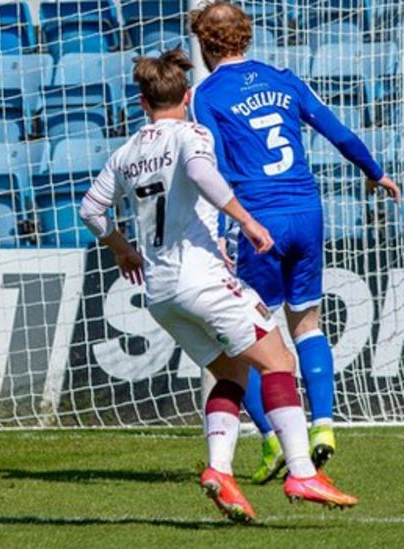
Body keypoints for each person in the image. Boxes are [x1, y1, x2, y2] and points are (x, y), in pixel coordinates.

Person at [79, 49, 358, 523]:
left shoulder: (126, 153)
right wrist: (246, 221)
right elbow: (201, 173)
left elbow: (89, 209)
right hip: (202, 279)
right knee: (279, 361)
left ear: (143, 103)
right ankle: (301, 470)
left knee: (230, 373)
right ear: (187, 97)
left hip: (161, 292)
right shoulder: (193, 133)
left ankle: (220, 472)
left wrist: (121, 249)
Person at [189, 0, 401, 482]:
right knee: (307, 322)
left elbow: (216, 167)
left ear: (203, 44)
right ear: (247, 35)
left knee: (253, 339)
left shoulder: (205, 95)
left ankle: (274, 439)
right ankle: (324, 425)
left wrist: (224, 231)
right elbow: (338, 132)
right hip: (307, 211)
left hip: (258, 220)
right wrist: (376, 172)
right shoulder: (284, 78)